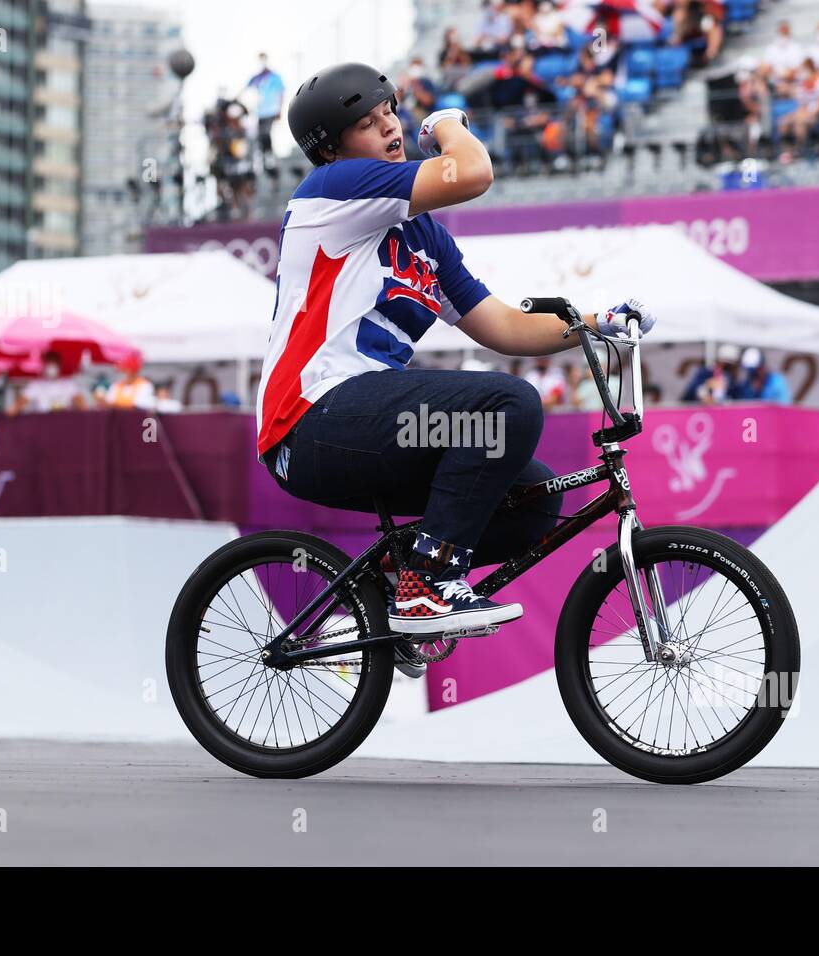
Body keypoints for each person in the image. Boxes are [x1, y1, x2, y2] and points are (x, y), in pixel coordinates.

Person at [262, 62, 657, 638]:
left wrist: (598, 322)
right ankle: (426, 588)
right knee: (508, 405)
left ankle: (395, 582)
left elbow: (502, 325)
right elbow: (472, 171)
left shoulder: (423, 236)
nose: (391, 128)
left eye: (390, 111)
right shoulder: (334, 190)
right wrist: (448, 121)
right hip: (310, 419)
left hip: (363, 420)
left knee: (532, 499)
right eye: (369, 124)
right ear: (334, 151)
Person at [243, 53, 285, 178]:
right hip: (260, 112)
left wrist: (279, 110)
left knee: (266, 133)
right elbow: (246, 88)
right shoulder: (257, 78)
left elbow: (281, 92)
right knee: (260, 137)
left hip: (271, 110)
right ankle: (264, 160)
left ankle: (269, 156)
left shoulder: (275, 77)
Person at [8, 350, 87, 414]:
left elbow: (82, 406)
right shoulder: (36, 385)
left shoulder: (69, 384)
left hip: (65, 425)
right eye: (49, 363)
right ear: (44, 365)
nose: (51, 367)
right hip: (42, 426)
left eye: (54, 363)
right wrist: (14, 409)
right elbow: (20, 403)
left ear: (59, 365)